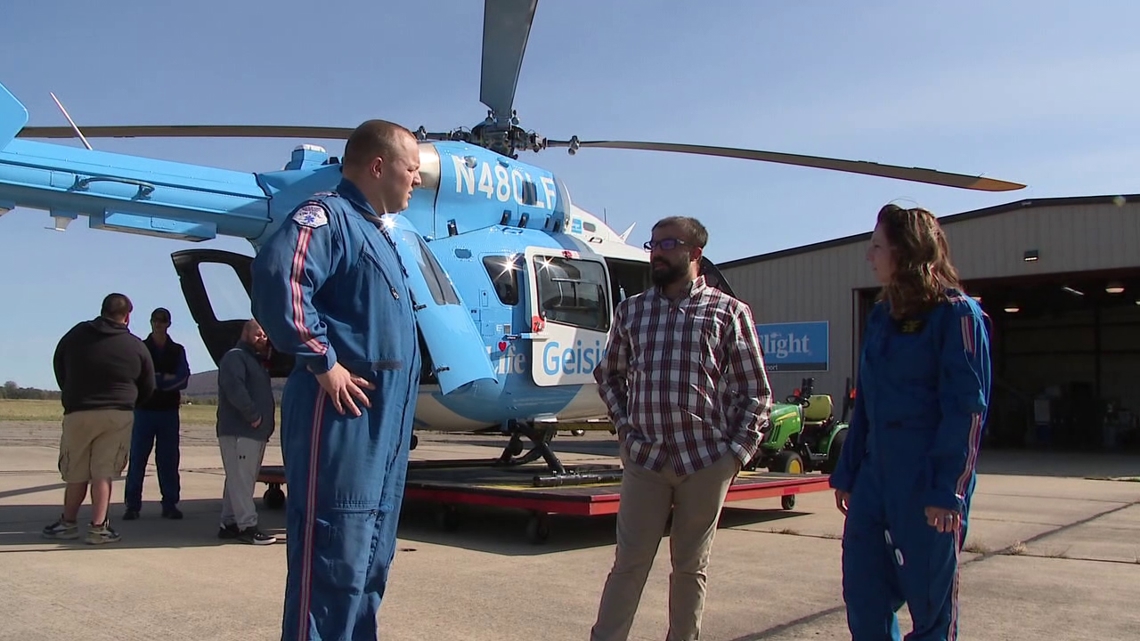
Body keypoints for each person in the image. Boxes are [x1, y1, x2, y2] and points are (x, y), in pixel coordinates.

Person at [249, 118, 423, 640]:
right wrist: (323, 360)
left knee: (369, 560)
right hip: (342, 423)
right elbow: (281, 277)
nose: (418, 179)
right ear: (379, 166)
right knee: (333, 553)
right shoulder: (328, 217)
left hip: (383, 429)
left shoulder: (378, 233)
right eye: (411, 168)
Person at [590, 216, 773, 641]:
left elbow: (755, 392)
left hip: (705, 462)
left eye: (668, 244)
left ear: (695, 253)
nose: (657, 252)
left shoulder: (728, 312)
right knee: (628, 564)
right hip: (646, 460)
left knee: (691, 568)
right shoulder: (632, 311)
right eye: (653, 244)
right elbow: (609, 376)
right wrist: (625, 431)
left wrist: (734, 457)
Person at [829, 204, 992, 641]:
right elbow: (867, 403)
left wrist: (948, 490)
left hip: (927, 481)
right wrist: (849, 473)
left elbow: (967, 410)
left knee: (931, 607)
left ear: (905, 252)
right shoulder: (882, 316)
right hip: (874, 479)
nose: (869, 256)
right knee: (863, 594)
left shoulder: (957, 316)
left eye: (877, 247)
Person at [43, 293, 156, 545]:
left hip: (79, 411)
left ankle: (67, 523)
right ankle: (98, 528)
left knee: (76, 472)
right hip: (117, 414)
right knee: (103, 473)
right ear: (127, 316)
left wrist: (72, 392)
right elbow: (148, 385)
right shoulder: (135, 346)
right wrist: (129, 403)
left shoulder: (76, 335)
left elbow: (59, 363)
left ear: (102, 310)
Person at [123, 306, 190, 520]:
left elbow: (183, 378)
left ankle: (170, 503)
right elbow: (136, 377)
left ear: (168, 324)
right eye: (155, 320)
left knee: (168, 460)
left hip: (168, 413)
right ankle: (132, 505)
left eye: (163, 320)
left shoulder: (177, 350)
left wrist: (156, 381)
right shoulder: (142, 348)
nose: (159, 324)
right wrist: (164, 380)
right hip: (144, 411)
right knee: (138, 458)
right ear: (151, 322)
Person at [215, 319, 278, 545]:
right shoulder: (236, 357)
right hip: (240, 432)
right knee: (242, 479)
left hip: (254, 433)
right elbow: (234, 387)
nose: (263, 338)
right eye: (258, 334)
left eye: (265, 335)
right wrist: (252, 415)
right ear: (246, 333)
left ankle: (230, 522)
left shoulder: (256, 361)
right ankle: (247, 526)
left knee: (237, 478)